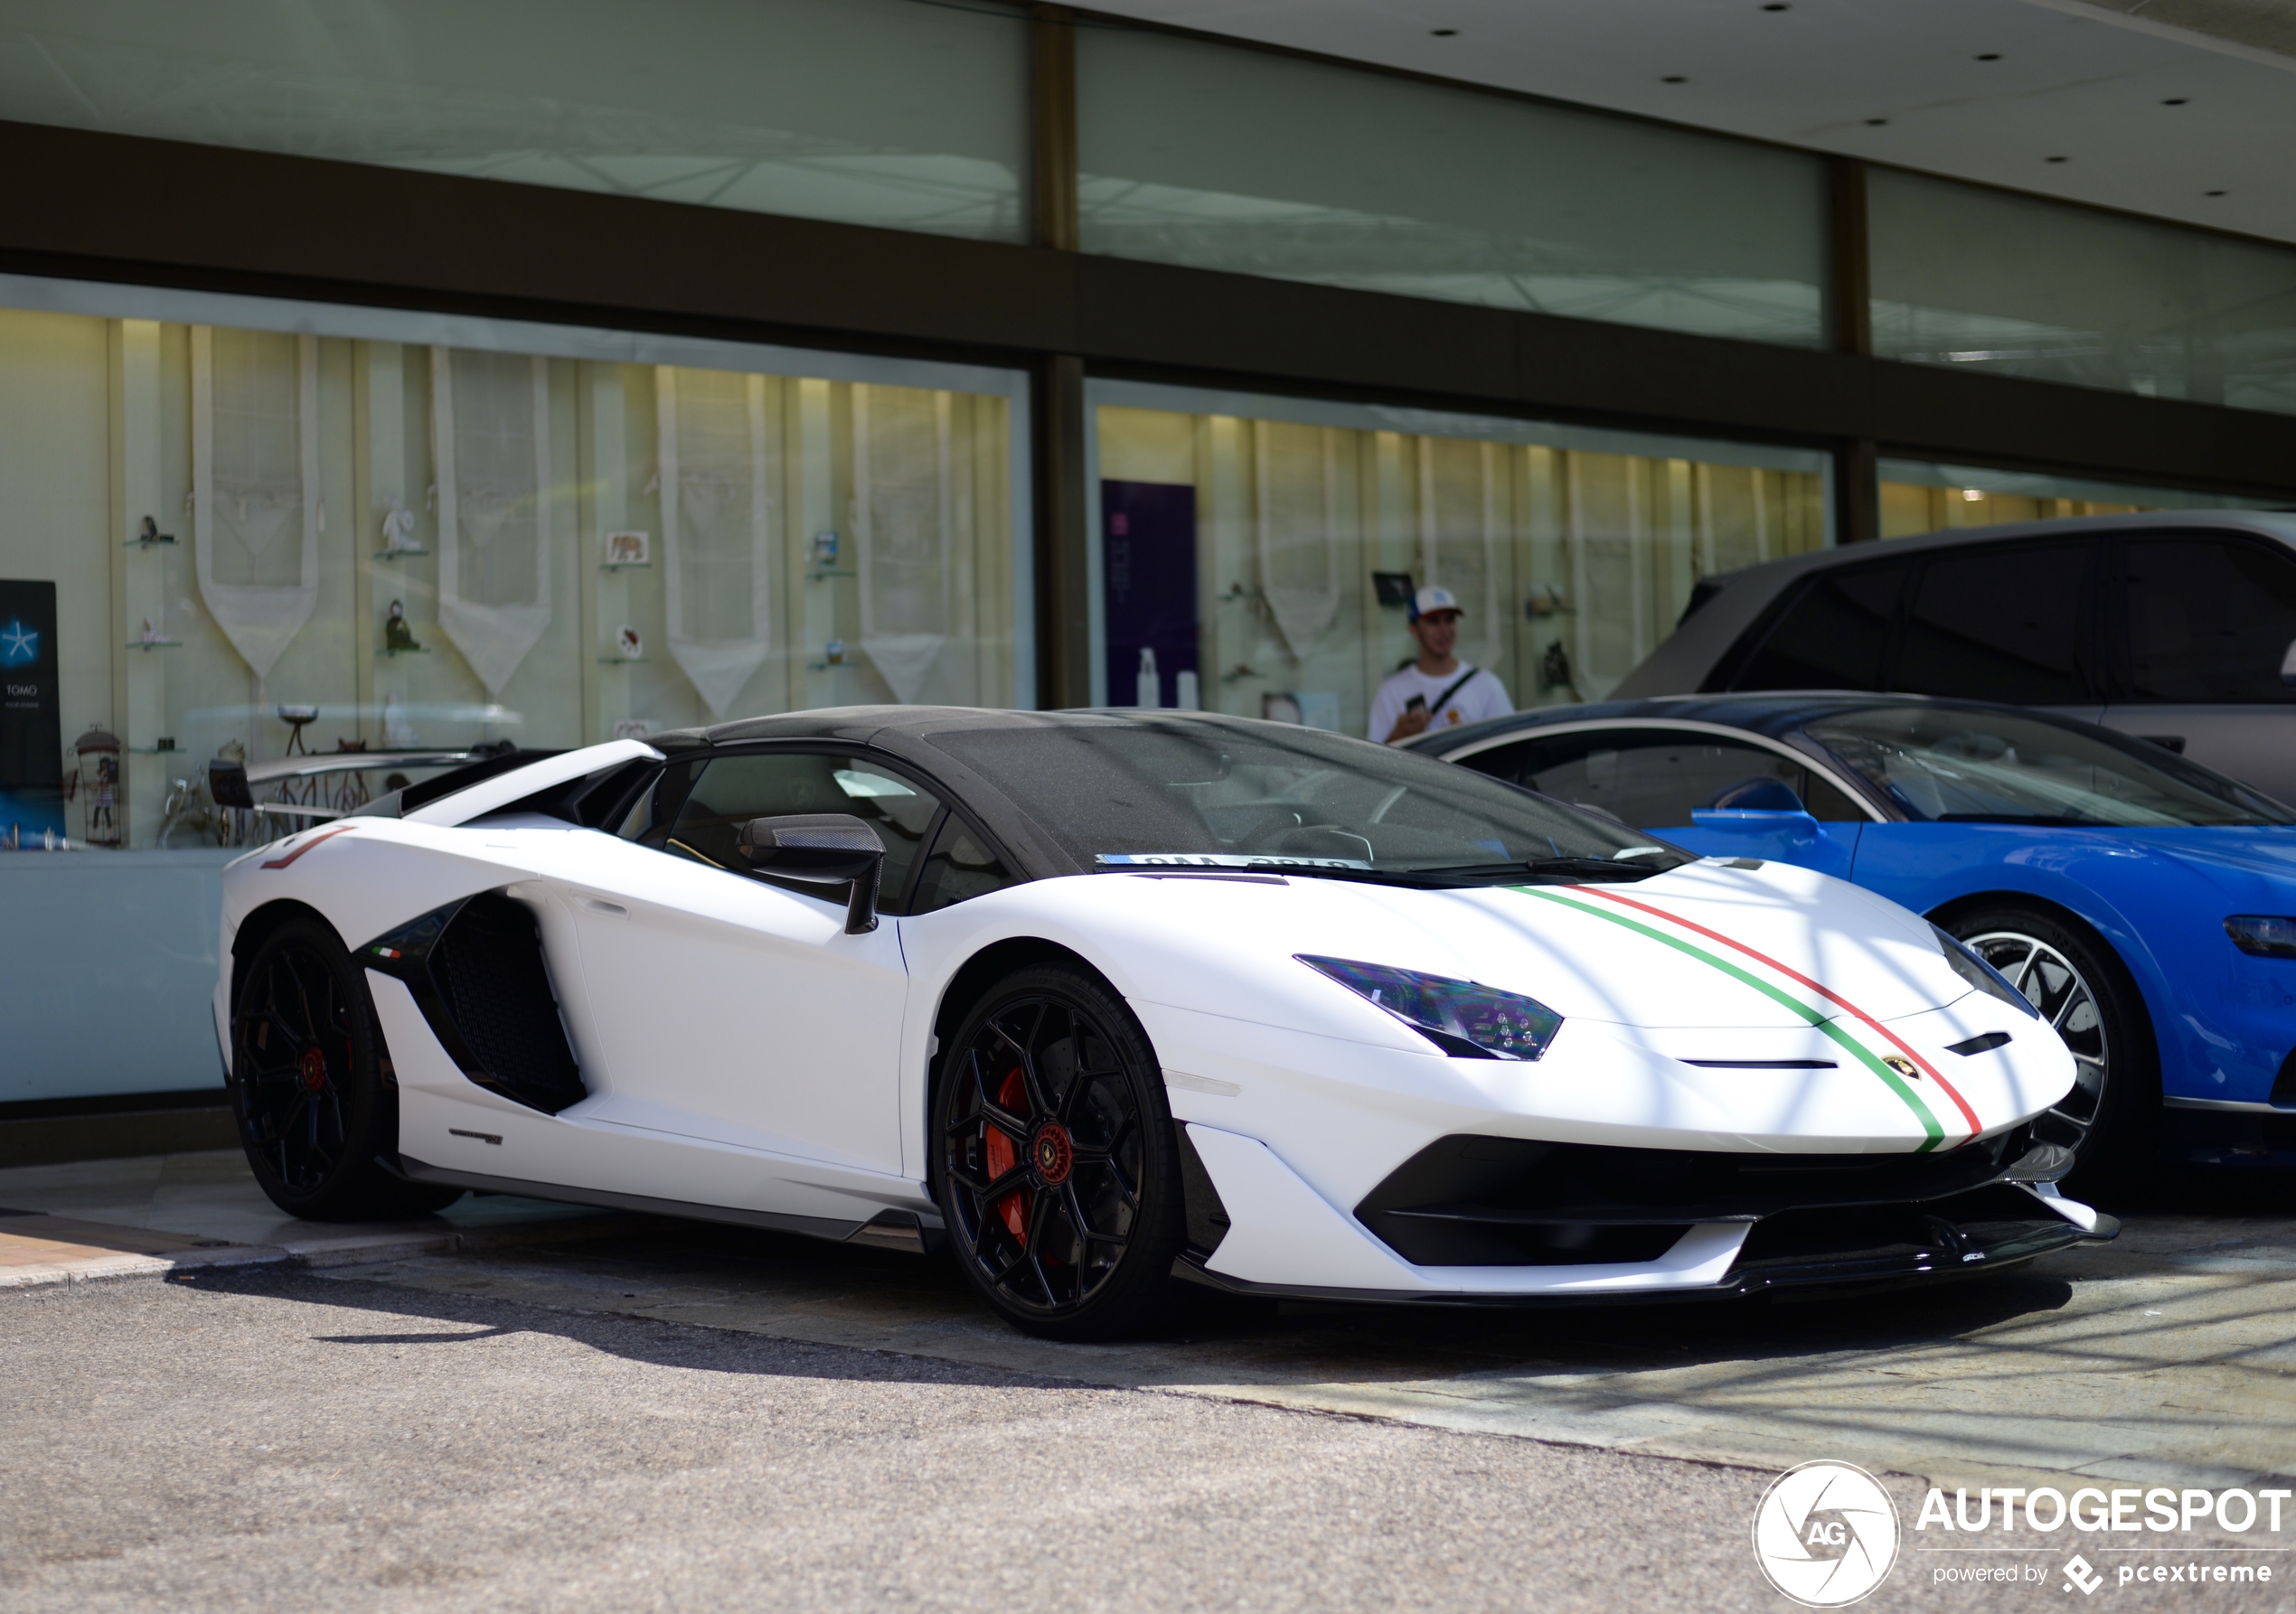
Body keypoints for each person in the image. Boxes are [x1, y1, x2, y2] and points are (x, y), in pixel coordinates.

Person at [1369, 586, 1512, 743]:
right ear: (1414, 630)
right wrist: (1401, 735)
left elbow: (1509, 750)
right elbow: (1372, 763)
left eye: (1449, 620)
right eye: (1433, 621)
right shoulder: (1391, 692)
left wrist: (1469, 740)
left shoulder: (1487, 685)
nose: (1444, 631)